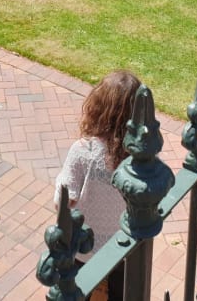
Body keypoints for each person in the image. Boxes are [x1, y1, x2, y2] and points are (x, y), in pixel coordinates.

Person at [54, 70, 141, 299]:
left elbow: (64, 201)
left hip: (84, 248)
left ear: (97, 107)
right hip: (123, 246)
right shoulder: (139, 157)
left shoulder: (83, 151)